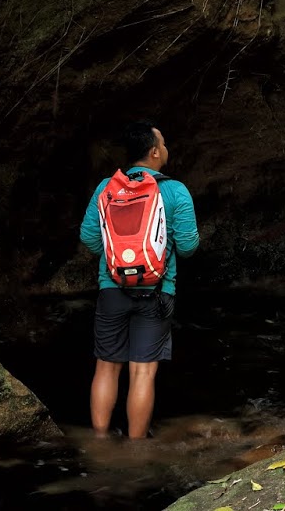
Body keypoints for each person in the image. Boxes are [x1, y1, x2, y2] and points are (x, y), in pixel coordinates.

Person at [79, 121, 200, 439]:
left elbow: (89, 237)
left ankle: (100, 442)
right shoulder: (175, 190)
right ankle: (136, 450)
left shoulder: (106, 187)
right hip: (158, 292)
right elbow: (188, 247)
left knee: (106, 365)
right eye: (164, 143)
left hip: (112, 289)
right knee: (142, 372)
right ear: (155, 151)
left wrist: (118, 261)